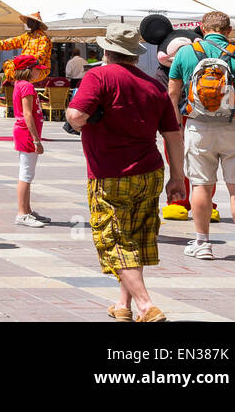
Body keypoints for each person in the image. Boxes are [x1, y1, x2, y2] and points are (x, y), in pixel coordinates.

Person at [66, 22, 186, 323]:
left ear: (107, 50)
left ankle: (146, 305)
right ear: (134, 54)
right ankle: (123, 305)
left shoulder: (99, 76)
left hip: (110, 174)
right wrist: (176, 177)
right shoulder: (153, 85)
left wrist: (75, 117)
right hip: (150, 172)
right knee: (135, 239)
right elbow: (173, 134)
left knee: (114, 241)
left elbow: (77, 116)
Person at [167, 11, 235, 263]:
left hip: (199, 126)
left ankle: (202, 243)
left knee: (201, 185)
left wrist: (176, 127)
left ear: (201, 28)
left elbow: (172, 95)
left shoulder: (185, 54)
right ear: (229, 31)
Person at [4, 57, 50, 227]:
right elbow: (27, 114)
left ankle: (27, 210)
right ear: (29, 69)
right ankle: (22, 213)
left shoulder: (20, 85)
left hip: (24, 132)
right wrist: (36, 139)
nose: (40, 71)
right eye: (37, 68)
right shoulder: (27, 86)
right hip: (26, 133)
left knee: (27, 173)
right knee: (26, 174)